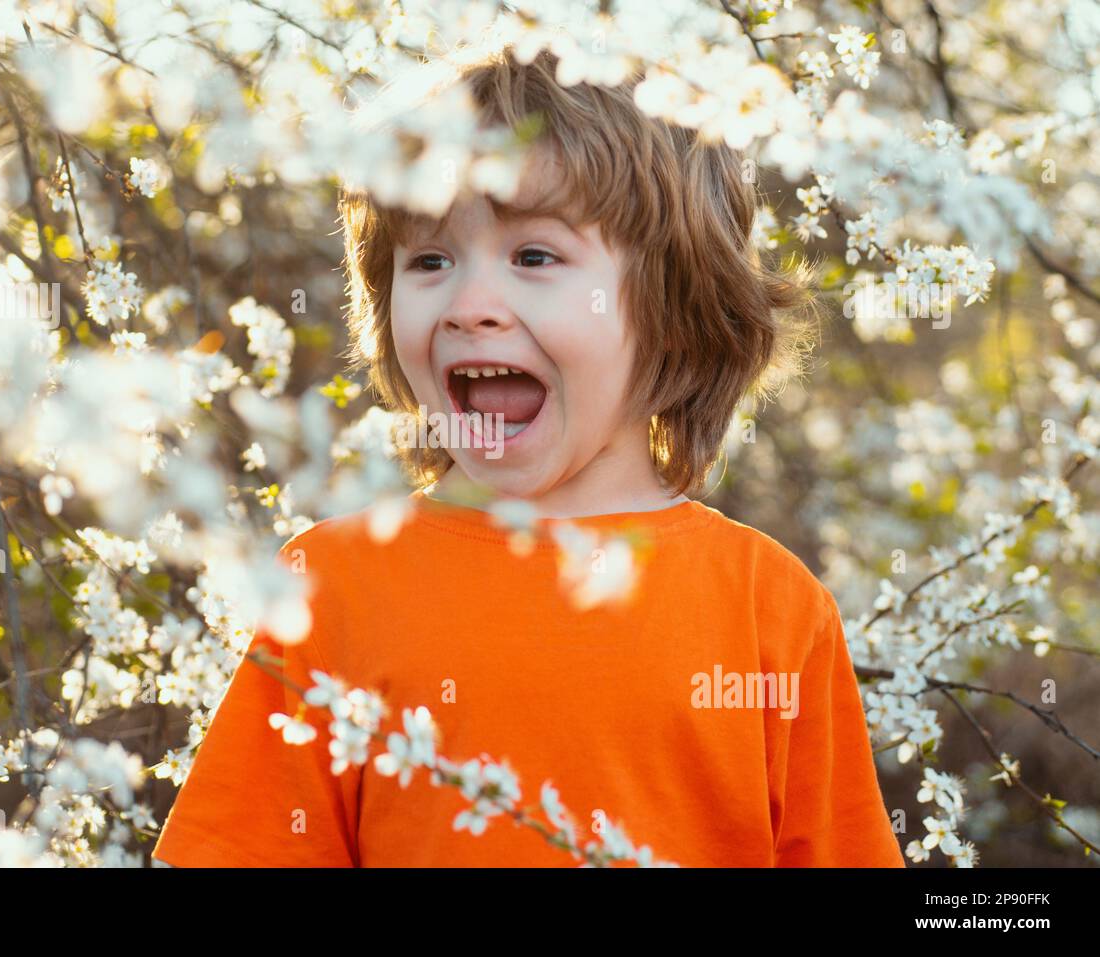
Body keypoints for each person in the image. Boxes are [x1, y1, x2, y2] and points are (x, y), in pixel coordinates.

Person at [151, 41, 905, 868]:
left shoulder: (772, 610)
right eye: (430, 260)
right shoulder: (328, 592)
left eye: (535, 256)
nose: (471, 305)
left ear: (679, 305)